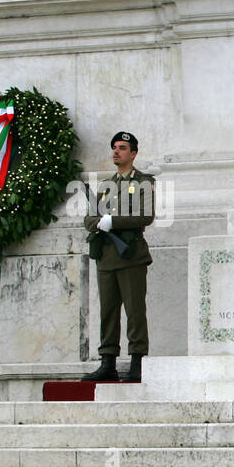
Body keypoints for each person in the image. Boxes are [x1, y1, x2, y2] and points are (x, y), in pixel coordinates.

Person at [82, 131, 154, 383]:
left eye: (122, 148)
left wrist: (112, 220)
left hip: (131, 255)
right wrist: (99, 222)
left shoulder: (144, 182)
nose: (116, 151)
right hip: (106, 257)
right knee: (108, 312)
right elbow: (89, 218)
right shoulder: (105, 186)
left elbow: (145, 216)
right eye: (114, 147)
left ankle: (137, 362)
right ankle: (107, 362)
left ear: (133, 153)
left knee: (134, 311)